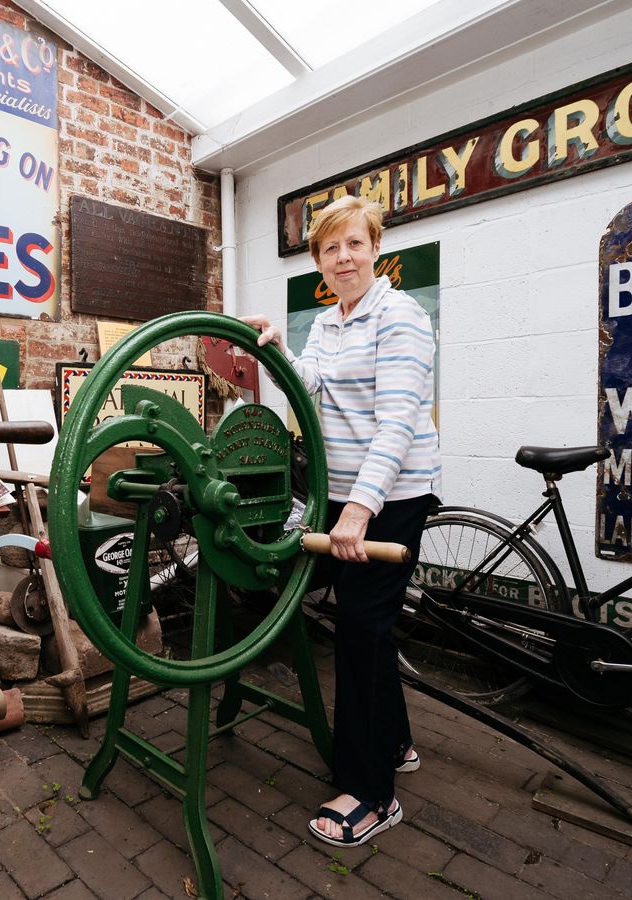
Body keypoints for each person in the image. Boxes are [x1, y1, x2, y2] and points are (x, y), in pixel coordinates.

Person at [243, 195, 441, 848]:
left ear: (375, 247)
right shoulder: (330, 322)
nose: (344, 257)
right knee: (366, 623)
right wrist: (275, 351)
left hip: (392, 496)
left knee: (360, 625)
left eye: (354, 243)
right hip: (343, 492)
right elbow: (313, 386)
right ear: (320, 262)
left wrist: (359, 511)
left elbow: (398, 421)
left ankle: (371, 793)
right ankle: (398, 742)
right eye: (331, 249)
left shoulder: (401, 317)